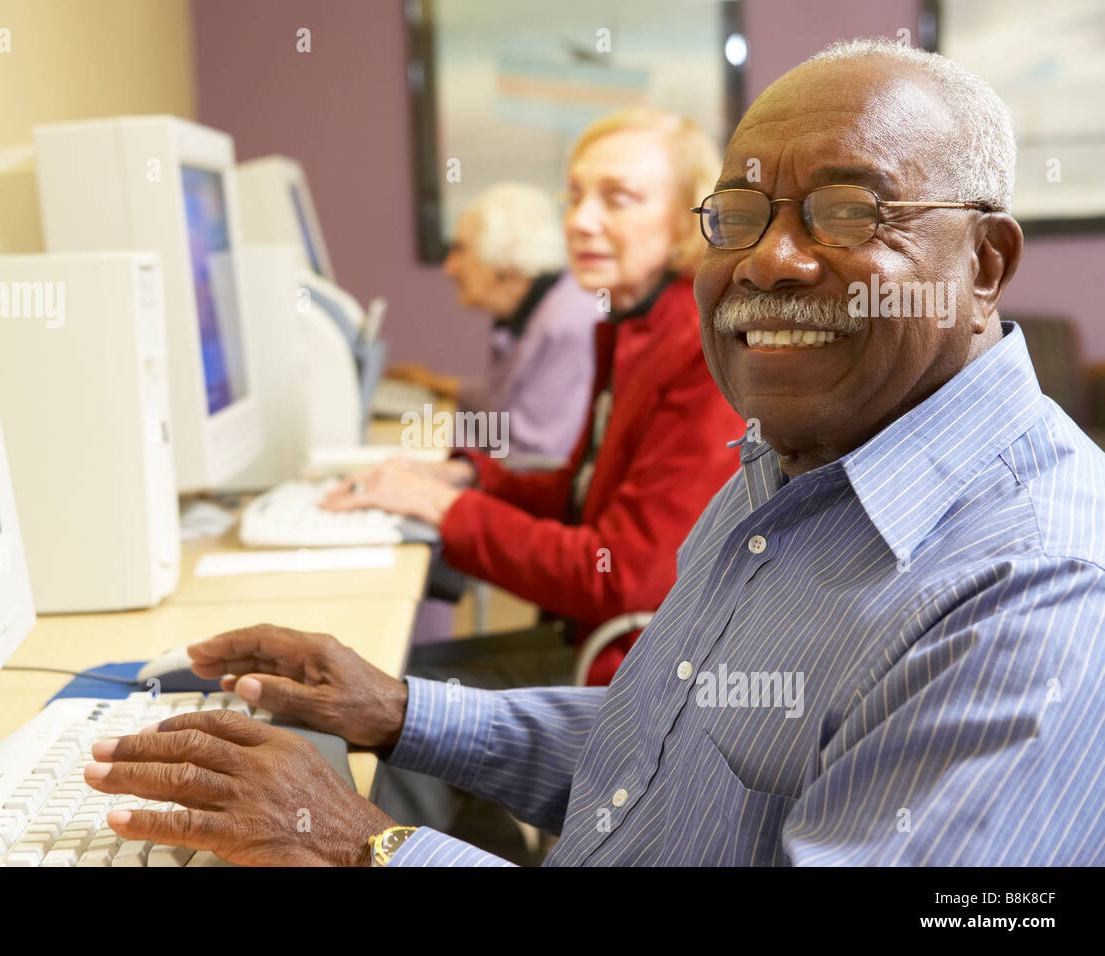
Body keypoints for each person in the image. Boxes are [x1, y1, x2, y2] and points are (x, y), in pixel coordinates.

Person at [84, 38, 1105, 866]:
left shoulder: (1036, 595)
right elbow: (662, 753)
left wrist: (371, 845)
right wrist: (398, 710)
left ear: (984, 263)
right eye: (740, 214)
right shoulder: (793, 459)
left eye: (849, 212)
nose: (773, 258)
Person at [324, 108, 743, 689]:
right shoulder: (627, 326)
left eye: (617, 198)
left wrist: (445, 510)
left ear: (685, 221)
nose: (580, 221)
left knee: (370, 702)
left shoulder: (700, 350)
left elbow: (621, 576)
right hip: (590, 643)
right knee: (369, 681)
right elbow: (580, 497)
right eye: (574, 197)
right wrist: (470, 481)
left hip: (638, 690)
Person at [388, 183, 600, 462]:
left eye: (460, 250)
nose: (449, 268)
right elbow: (506, 403)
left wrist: (445, 476)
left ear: (505, 254)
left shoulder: (566, 323)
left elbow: (538, 460)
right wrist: (436, 383)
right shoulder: (531, 313)